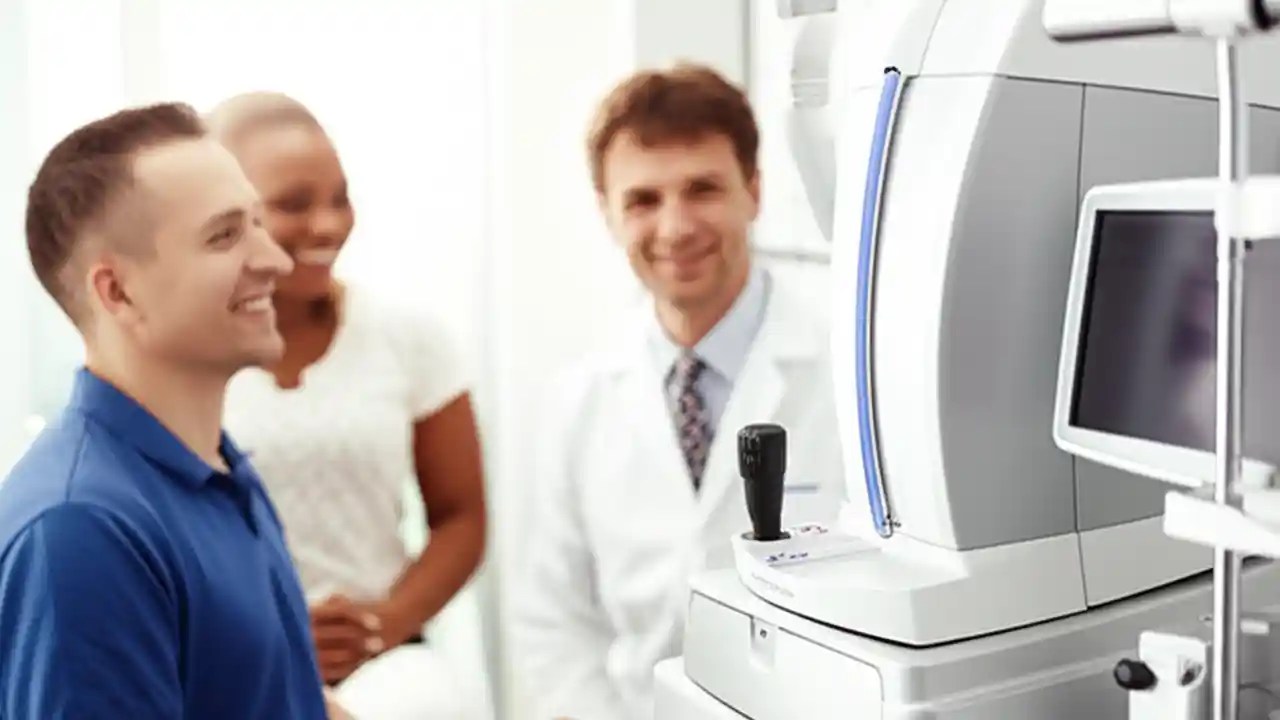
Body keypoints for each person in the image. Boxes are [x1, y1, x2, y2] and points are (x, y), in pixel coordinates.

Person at [511, 64, 846, 720]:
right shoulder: (578, 402)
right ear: (608, 214)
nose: (675, 227)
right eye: (643, 200)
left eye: (702, 189)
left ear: (753, 191)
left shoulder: (846, 373)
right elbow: (554, 624)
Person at [0, 103, 352, 719]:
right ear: (118, 291)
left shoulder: (220, 471)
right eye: (224, 236)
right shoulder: (81, 533)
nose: (275, 261)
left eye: (257, 223)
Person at [206, 92, 490, 720]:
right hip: (236, 659)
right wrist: (274, 637)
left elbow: (461, 517)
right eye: (294, 204)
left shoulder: (409, 338)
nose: (328, 224)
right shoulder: (193, 361)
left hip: (387, 665)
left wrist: (381, 626)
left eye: (341, 198)